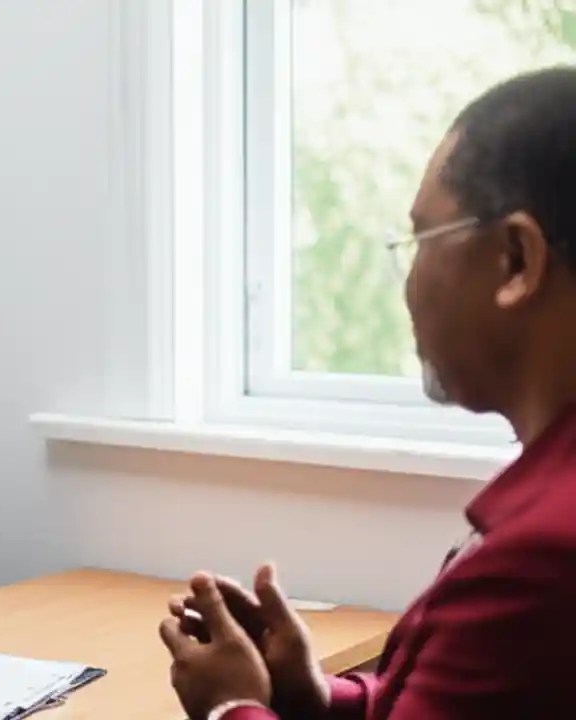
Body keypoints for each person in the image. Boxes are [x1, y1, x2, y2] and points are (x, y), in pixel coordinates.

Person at [159, 65, 576, 719]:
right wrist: (315, 701)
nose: (407, 283)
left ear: (516, 261)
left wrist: (232, 707)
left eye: (421, 239)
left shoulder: (545, 558)